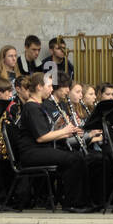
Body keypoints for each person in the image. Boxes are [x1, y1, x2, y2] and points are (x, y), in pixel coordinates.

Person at [13, 72, 90, 212]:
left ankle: (80, 201)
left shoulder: (38, 106)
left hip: (40, 150)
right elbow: (41, 137)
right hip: (32, 153)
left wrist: (59, 126)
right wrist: (65, 131)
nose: (51, 89)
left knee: (77, 157)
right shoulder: (31, 107)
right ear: (38, 87)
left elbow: (45, 131)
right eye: (48, 86)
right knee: (73, 159)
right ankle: (72, 203)